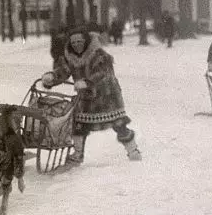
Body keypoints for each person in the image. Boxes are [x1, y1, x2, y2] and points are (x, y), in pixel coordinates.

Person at [42, 25, 141, 164]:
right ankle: (77, 154)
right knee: (79, 124)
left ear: (86, 41)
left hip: (107, 96)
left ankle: (133, 151)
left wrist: (88, 82)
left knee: (118, 123)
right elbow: (63, 71)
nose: (77, 45)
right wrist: (52, 77)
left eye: (80, 42)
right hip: (86, 98)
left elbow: (103, 73)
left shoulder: (98, 54)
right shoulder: (69, 57)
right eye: (74, 43)